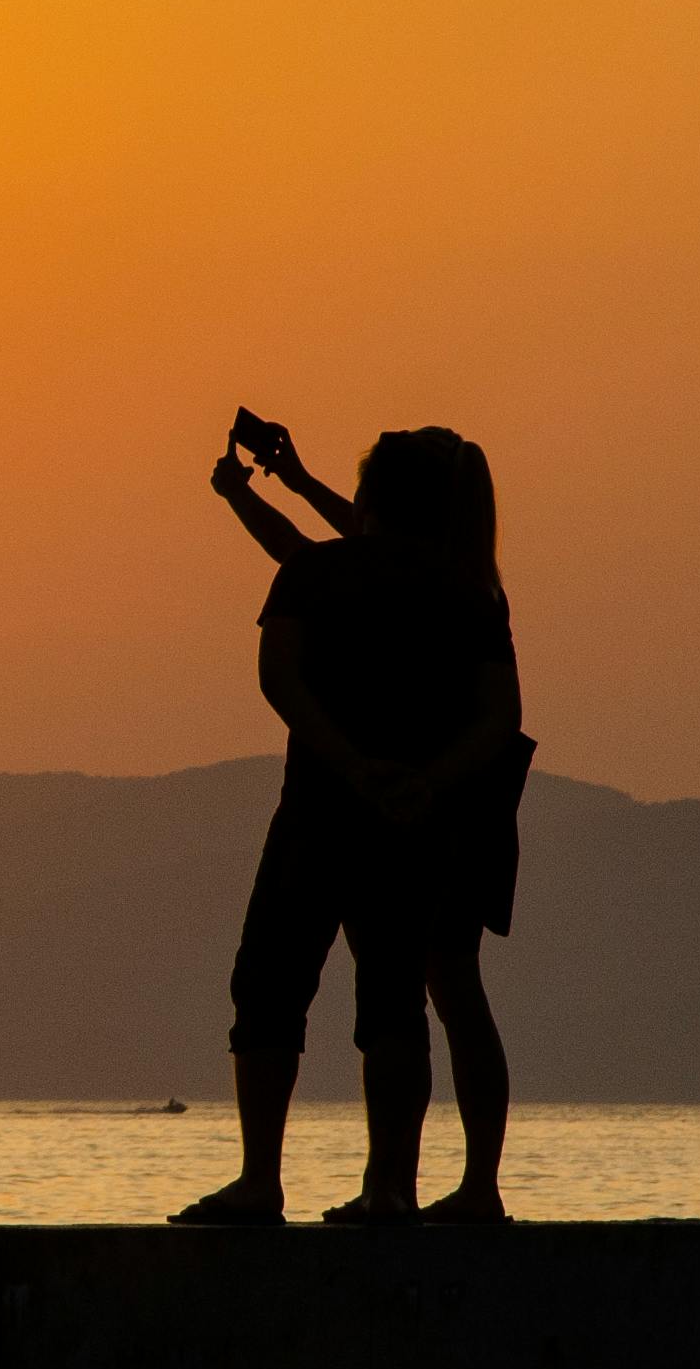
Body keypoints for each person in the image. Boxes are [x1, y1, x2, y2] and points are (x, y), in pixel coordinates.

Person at [170, 415, 533, 1227]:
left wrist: (351, 764)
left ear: (373, 496)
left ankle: (261, 1179)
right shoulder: (469, 591)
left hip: (321, 811)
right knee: (398, 997)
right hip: (423, 820)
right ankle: (392, 1188)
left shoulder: (323, 576)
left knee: (271, 982)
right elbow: (499, 716)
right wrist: (423, 782)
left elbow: (283, 672)